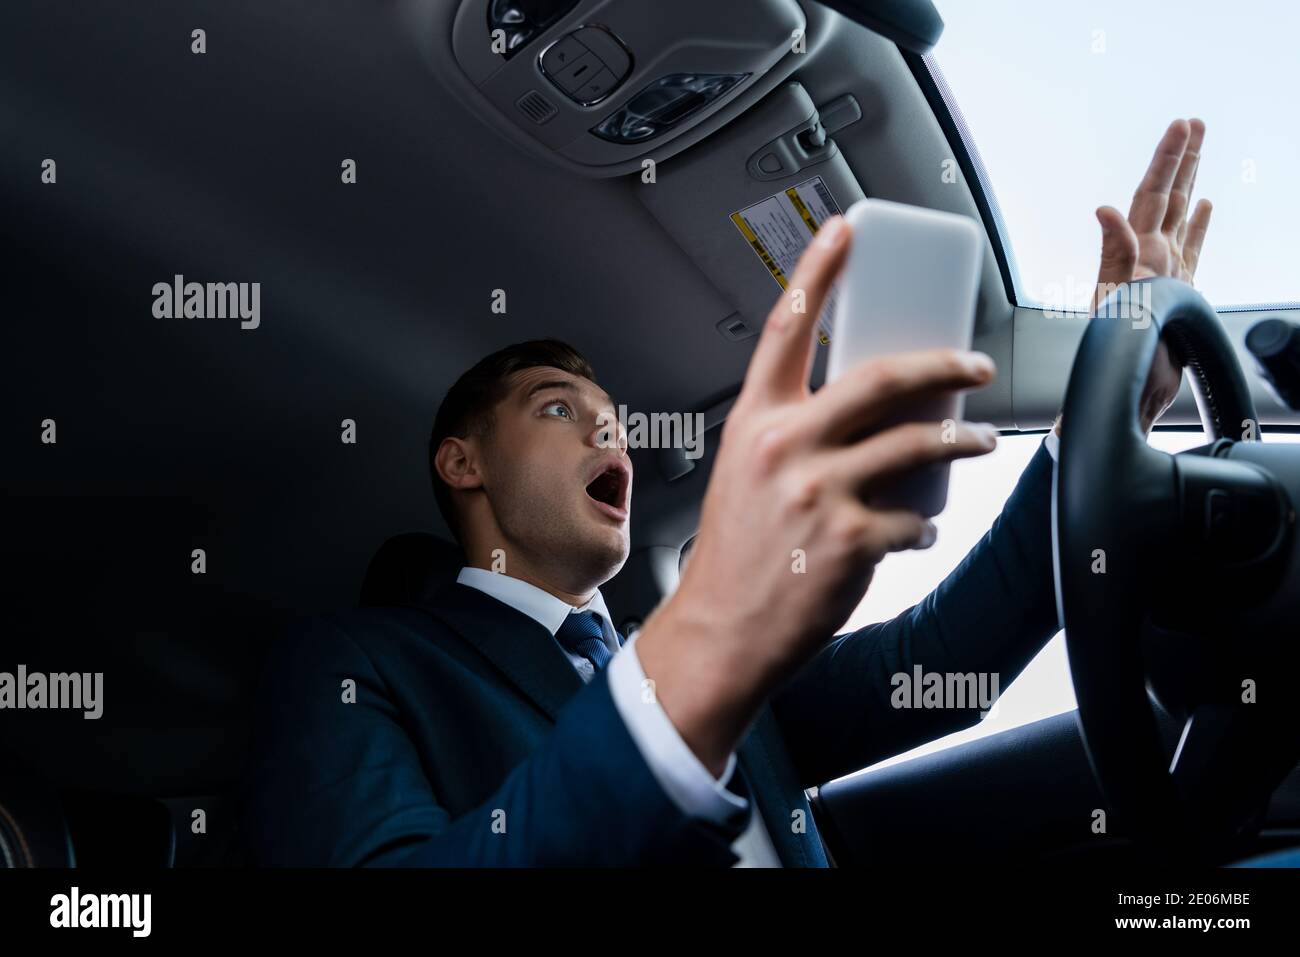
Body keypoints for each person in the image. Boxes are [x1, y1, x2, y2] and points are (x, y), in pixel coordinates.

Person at [245, 120, 1209, 866]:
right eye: (555, 408)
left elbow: (947, 658)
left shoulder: (720, 672)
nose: (606, 428)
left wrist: (1101, 417)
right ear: (463, 464)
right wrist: (690, 660)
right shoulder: (355, 663)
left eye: (614, 416)